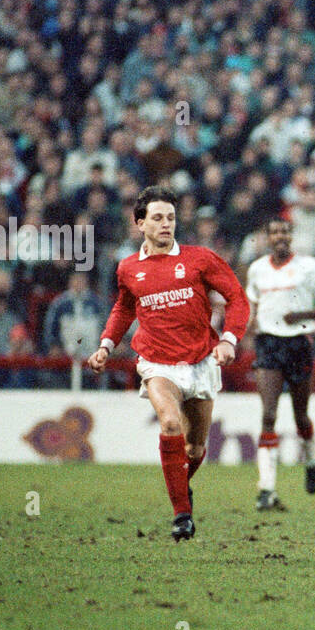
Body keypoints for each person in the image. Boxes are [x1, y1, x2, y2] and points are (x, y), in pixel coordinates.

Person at [86, 186, 249, 541]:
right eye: (158, 218)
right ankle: (181, 515)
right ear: (140, 223)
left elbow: (237, 296)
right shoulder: (128, 267)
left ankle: (180, 490)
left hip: (201, 359)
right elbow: (125, 307)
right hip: (157, 361)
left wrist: (229, 339)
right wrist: (106, 345)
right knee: (170, 421)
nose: (166, 224)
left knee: (195, 448)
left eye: (171, 218)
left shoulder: (200, 258)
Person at [243, 216, 315, 511]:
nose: (280, 236)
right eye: (274, 231)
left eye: (285, 231)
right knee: (268, 414)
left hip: (298, 343)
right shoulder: (257, 269)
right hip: (269, 343)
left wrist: (298, 316)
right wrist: (246, 333)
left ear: (291, 236)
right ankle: (266, 490)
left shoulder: (309, 266)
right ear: (268, 237)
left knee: (301, 417)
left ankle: (310, 461)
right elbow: (253, 306)